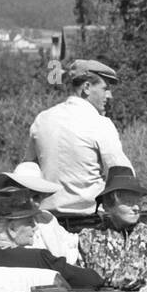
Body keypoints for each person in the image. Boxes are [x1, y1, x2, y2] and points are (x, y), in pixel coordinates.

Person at [28, 59, 129, 232]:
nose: (109, 95)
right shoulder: (100, 124)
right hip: (89, 226)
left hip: (46, 227)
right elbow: (122, 174)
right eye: (105, 88)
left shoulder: (42, 119)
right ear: (87, 88)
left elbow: (28, 169)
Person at [0, 187, 105, 290]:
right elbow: (93, 279)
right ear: (13, 229)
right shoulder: (38, 258)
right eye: (30, 222)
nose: (35, 227)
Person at [0, 162, 80, 262]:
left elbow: (70, 247)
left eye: (38, 197)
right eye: (28, 196)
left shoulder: (47, 221)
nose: (35, 203)